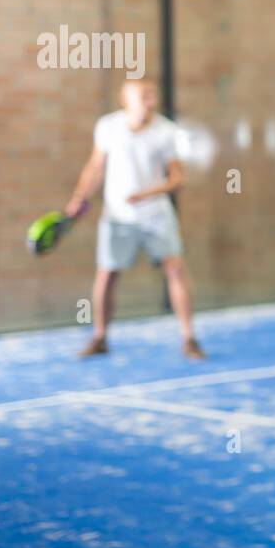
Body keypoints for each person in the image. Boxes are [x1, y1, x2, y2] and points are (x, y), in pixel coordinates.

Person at [65, 79, 205, 361]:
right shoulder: (108, 127)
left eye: (153, 95)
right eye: (144, 96)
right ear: (125, 99)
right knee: (107, 274)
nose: (150, 101)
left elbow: (178, 178)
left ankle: (189, 339)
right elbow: (95, 166)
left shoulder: (167, 132)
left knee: (176, 269)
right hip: (117, 216)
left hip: (156, 215)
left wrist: (148, 193)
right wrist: (80, 197)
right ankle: (100, 337)